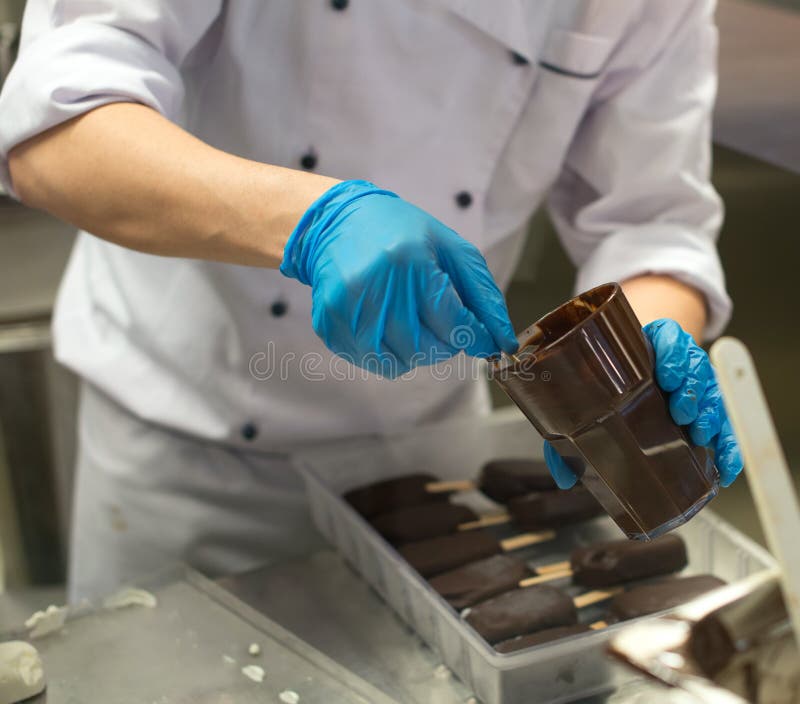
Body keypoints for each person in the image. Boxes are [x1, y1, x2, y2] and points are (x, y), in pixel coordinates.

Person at [0, 0, 741, 601]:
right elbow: (54, 125)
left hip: (428, 446)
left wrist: (639, 354)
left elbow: (652, 219)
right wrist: (313, 223)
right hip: (189, 456)